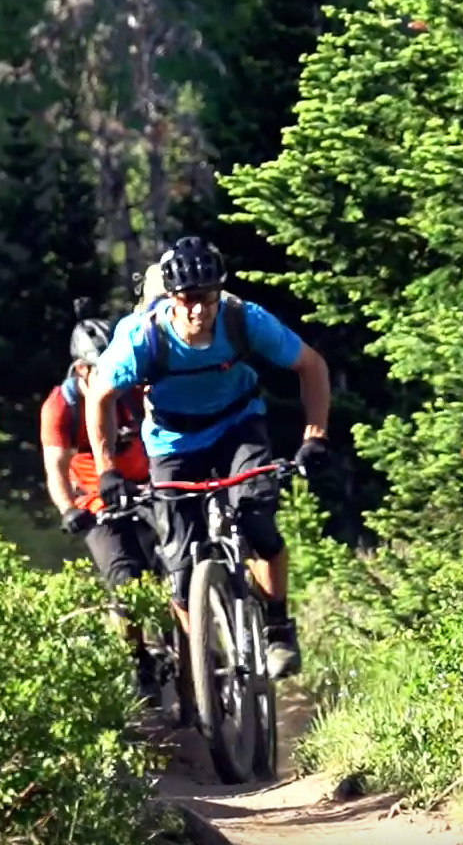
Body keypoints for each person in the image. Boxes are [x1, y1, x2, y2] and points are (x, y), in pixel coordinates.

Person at [81, 237, 332, 680]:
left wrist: (315, 437)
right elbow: (99, 396)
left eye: (208, 297)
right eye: (188, 299)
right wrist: (107, 472)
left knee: (257, 518)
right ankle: (200, 664)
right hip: (172, 441)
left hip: (238, 426)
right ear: (171, 298)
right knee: (179, 564)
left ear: (219, 293)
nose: (199, 310)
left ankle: (277, 626)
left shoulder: (242, 319)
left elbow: (311, 365)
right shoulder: (142, 337)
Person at [38, 312, 161, 703]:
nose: (113, 375)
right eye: (100, 368)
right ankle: (140, 661)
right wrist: (68, 509)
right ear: (80, 369)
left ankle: (202, 641)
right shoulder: (61, 408)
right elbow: (56, 470)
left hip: (147, 486)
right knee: (124, 579)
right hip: (96, 502)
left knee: (181, 555)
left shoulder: (131, 389)